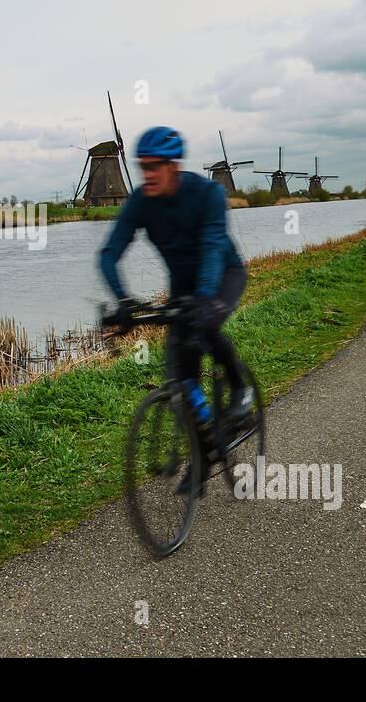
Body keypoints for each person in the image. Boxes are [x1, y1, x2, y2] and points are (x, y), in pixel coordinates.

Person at [99, 126, 252, 480]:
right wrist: (123, 300)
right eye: (143, 167)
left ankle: (240, 390)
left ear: (174, 166)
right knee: (181, 371)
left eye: (155, 166)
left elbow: (213, 248)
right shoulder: (141, 201)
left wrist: (204, 300)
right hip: (182, 285)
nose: (147, 174)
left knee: (207, 324)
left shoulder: (208, 194)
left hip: (223, 273)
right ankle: (205, 447)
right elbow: (109, 253)